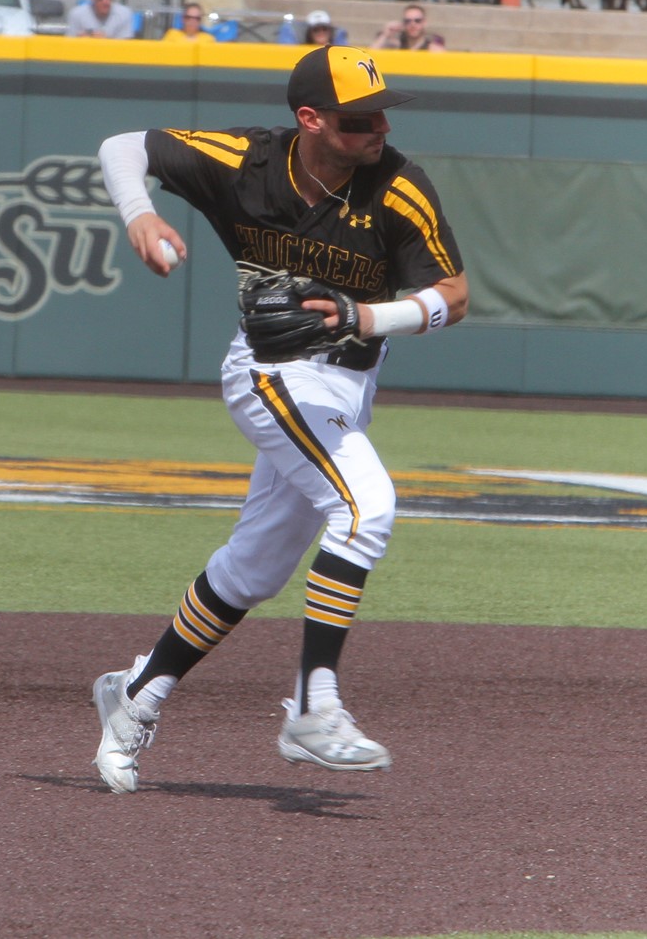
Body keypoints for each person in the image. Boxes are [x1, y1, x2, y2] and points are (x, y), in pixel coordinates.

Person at [88, 46, 471, 793]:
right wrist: (140, 214)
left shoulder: (397, 185)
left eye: (384, 112)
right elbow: (122, 148)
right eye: (361, 119)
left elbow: (453, 297)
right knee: (366, 508)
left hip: (348, 382)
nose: (380, 127)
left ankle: (136, 694)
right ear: (310, 120)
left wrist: (369, 313)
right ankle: (312, 703)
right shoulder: (246, 161)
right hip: (269, 372)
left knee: (256, 565)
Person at [65, 0, 135, 39]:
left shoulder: (124, 14)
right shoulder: (77, 14)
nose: (105, 1)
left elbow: (126, 46)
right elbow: (69, 44)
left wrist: (104, 41)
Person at [371, 4, 445, 51]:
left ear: (424, 23)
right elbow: (369, 58)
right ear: (403, 23)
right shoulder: (396, 46)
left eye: (417, 20)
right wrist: (385, 34)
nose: (412, 24)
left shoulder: (433, 50)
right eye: (408, 21)